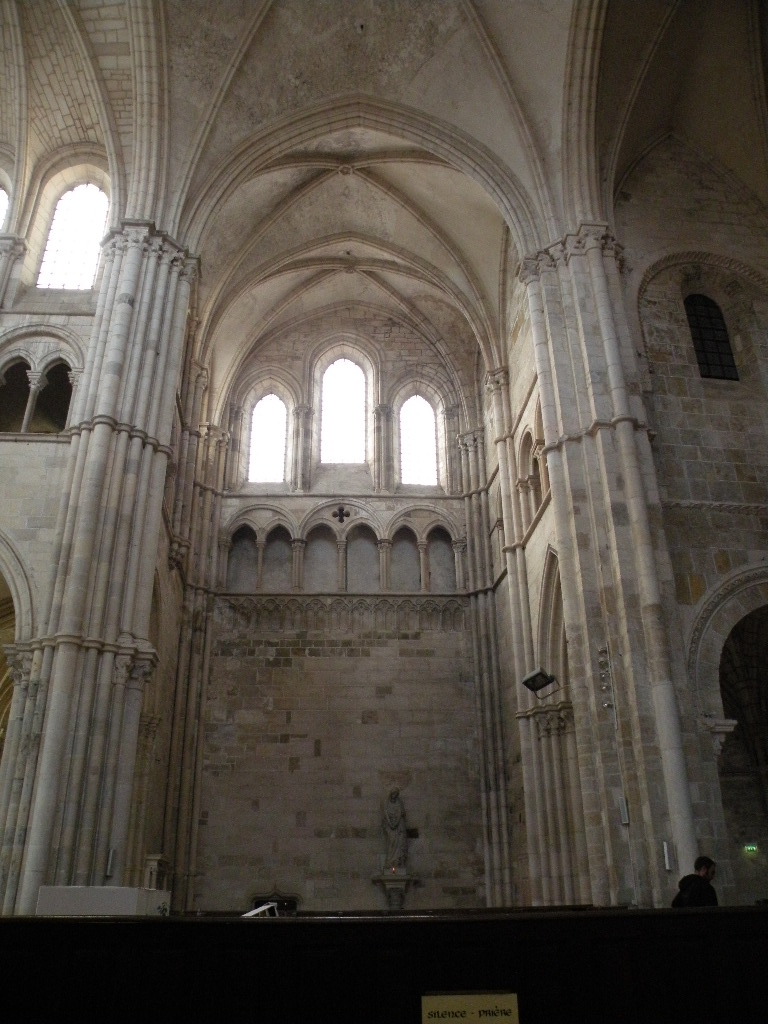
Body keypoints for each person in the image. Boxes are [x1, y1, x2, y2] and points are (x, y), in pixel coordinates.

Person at [382, 788, 408, 870]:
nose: (394, 796)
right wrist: (390, 824)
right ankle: (390, 863)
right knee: (391, 843)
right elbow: (385, 814)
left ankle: (398, 863)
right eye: (393, 794)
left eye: (396, 795)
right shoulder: (386, 803)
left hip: (398, 827)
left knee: (400, 844)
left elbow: (401, 813)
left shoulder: (399, 803)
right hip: (390, 827)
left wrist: (396, 823)